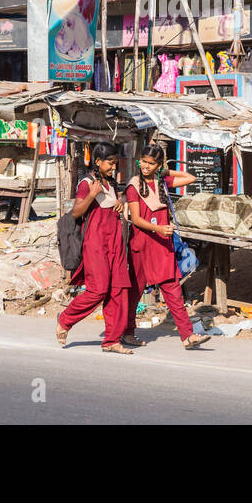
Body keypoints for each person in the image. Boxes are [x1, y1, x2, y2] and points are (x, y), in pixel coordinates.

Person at [121, 144, 211, 350]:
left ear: (158, 165)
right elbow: (135, 219)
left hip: (163, 245)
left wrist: (164, 170)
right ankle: (126, 333)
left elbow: (190, 178)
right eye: (143, 161)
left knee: (172, 290)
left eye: (151, 163)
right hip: (142, 246)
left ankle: (188, 336)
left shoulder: (161, 181)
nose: (145, 166)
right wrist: (158, 228)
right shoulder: (134, 185)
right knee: (135, 292)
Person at [56, 143, 134, 354]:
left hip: (115, 241)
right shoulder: (87, 183)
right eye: (110, 163)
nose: (113, 167)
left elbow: (115, 203)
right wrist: (92, 195)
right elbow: (75, 212)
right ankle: (65, 320)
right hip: (96, 243)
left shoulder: (110, 183)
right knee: (98, 290)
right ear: (98, 162)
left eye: (115, 163)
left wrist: (120, 202)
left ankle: (111, 340)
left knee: (118, 289)